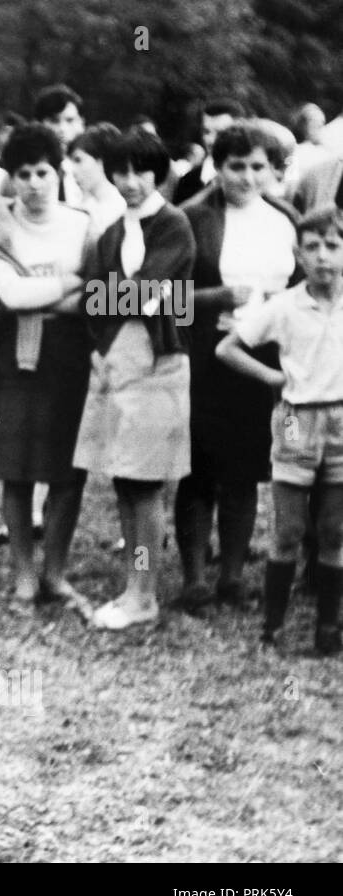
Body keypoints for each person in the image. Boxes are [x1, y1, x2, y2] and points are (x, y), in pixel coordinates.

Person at [73, 128, 197, 629]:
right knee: (124, 481)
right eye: (120, 171)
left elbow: (148, 294)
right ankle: (133, 588)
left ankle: (144, 595)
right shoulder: (112, 232)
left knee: (144, 484)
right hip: (116, 363)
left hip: (156, 363)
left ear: (158, 171)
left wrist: (113, 295)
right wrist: (109, 302)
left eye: (140, 170)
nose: (130, 182)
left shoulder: (174, 225)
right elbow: (95, 300)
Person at [175, 123, 299, 613]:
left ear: (272, 170)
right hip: (206, 356)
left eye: (256, 167)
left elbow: (305, 286)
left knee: (246, 470)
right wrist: (214, 299)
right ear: (216, 166)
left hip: (263, 359)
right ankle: (194, 581)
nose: (246, 177)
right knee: (199, 470)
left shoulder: (286, 218)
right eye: (235, 166)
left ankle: (231, 577)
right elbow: (153, 297)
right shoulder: (189, 218)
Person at [0, 124, 93, 604]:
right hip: (11, 361)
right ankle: (23, 572)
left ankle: (56, 572)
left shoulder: (83, 223)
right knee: (15, 468)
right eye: (23, 173)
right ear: (11, 176)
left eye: (43, 172)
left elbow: (96, 298)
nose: (35, 183)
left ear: (58, 172)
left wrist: (57, 294)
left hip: (69, 358)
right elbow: (11, 294)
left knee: (67, 471)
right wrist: (68, 282)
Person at [215, 205, 343, 655]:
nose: (324, 256)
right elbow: (227, 347)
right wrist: (271, 379)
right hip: (294, 417)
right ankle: (273, 628)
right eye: (313, 247)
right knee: (287, 528)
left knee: (334, 530)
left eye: (333, 246)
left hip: (341, 419)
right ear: (298, 256)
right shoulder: (285, 306)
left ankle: (329, 626)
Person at [173, 100, 245, 206]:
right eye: (206, 132)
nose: (211, 140)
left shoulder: (252, 180)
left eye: (220, 133)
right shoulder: (187, 182)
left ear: (240, 132)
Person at [68, 123, 126, 238]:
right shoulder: (85, 207)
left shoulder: (121, 206)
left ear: (100, 161)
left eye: (78, 160)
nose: (73, 171)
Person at [33, 84, 87, 205]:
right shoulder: (26, 170)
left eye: (70, 120)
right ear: (39, 124)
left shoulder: (96, 167)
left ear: (82, 123)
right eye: (54, 121)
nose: (62, 129)